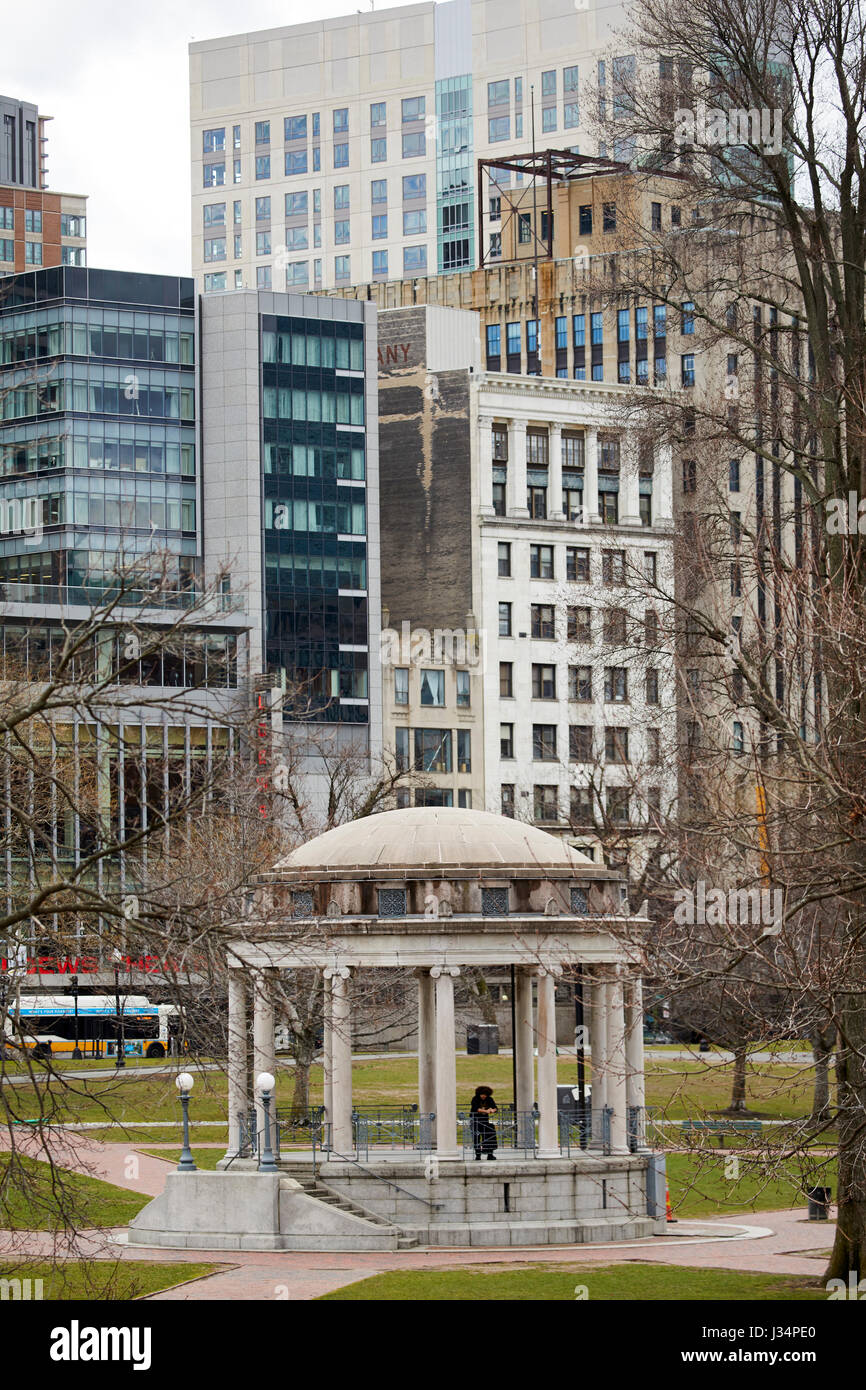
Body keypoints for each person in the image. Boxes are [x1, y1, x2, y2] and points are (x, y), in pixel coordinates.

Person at [470, 1085, 498, 1160]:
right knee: (476, 1138)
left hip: (485, 1121)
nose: (483, 1096)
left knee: (489, 1136)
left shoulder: (489, 1099)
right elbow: (475, 1108)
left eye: (485, 1095)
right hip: (475, 1121)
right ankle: (478, 1155)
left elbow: (495, 1108)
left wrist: (492, 1110)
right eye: (482, 1094)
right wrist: (486, 1111)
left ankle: (490, 1154)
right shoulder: (475, 1099)